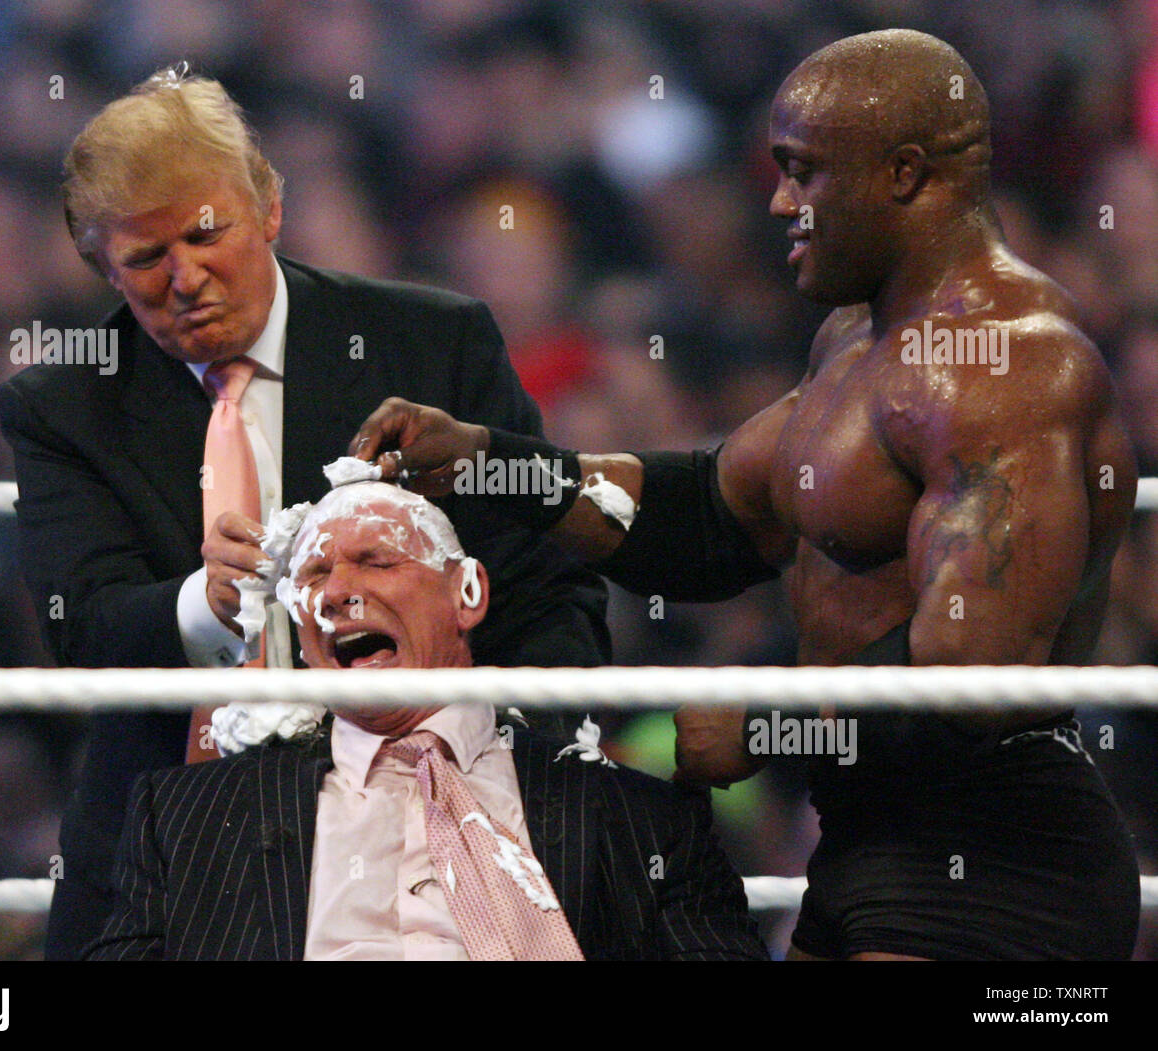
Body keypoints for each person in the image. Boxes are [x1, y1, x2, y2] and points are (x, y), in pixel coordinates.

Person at [348, 29, 1141, 960]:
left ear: (904, 173)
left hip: (995, 860)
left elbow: (977, 669)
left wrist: (765, 724)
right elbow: (708, 518)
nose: (779, 201)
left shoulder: (1009, 364)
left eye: (803, 173)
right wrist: (488, 461)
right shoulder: (858, 340)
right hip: (862, 845)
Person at [0, 67, 608, 961]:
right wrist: (206, 602)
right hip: (168, 827)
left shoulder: (432, 346)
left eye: (208, 233)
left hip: (432, 812)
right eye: (144, 258)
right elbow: (79, 623)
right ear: (99, 265)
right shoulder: (63, 404)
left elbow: (548, 590)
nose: (186, 275)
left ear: (270, 207)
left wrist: (506, 776)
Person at [85, 483, 766, 960]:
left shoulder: (635, 815)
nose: (340, 591)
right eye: (315, 573)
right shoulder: (187, 818)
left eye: (378, 560)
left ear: (467, 592)